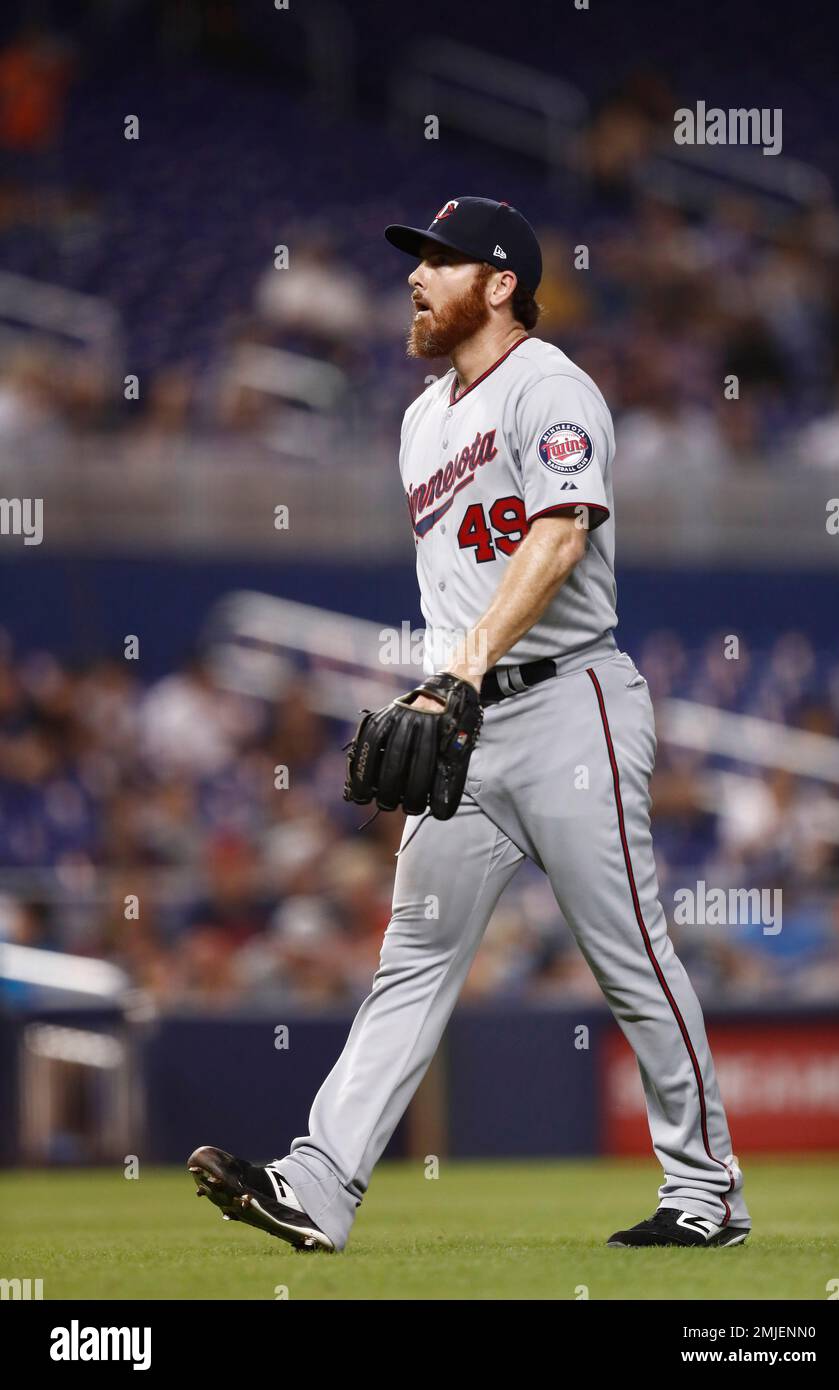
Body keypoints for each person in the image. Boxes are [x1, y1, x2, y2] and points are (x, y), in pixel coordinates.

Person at [189, 196, 751, 1252]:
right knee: (412, 956)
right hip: (464, 718)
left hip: (568, 700)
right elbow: (456, 588)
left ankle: (705, 1192)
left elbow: (560, 536)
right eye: (414, 258)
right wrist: (438, 684)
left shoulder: (551, 385)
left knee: (627, 950)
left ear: (499, 283)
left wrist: (463, 667)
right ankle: (317, 1186)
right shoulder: (417, 419)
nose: (414, 276)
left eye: (439, 261)